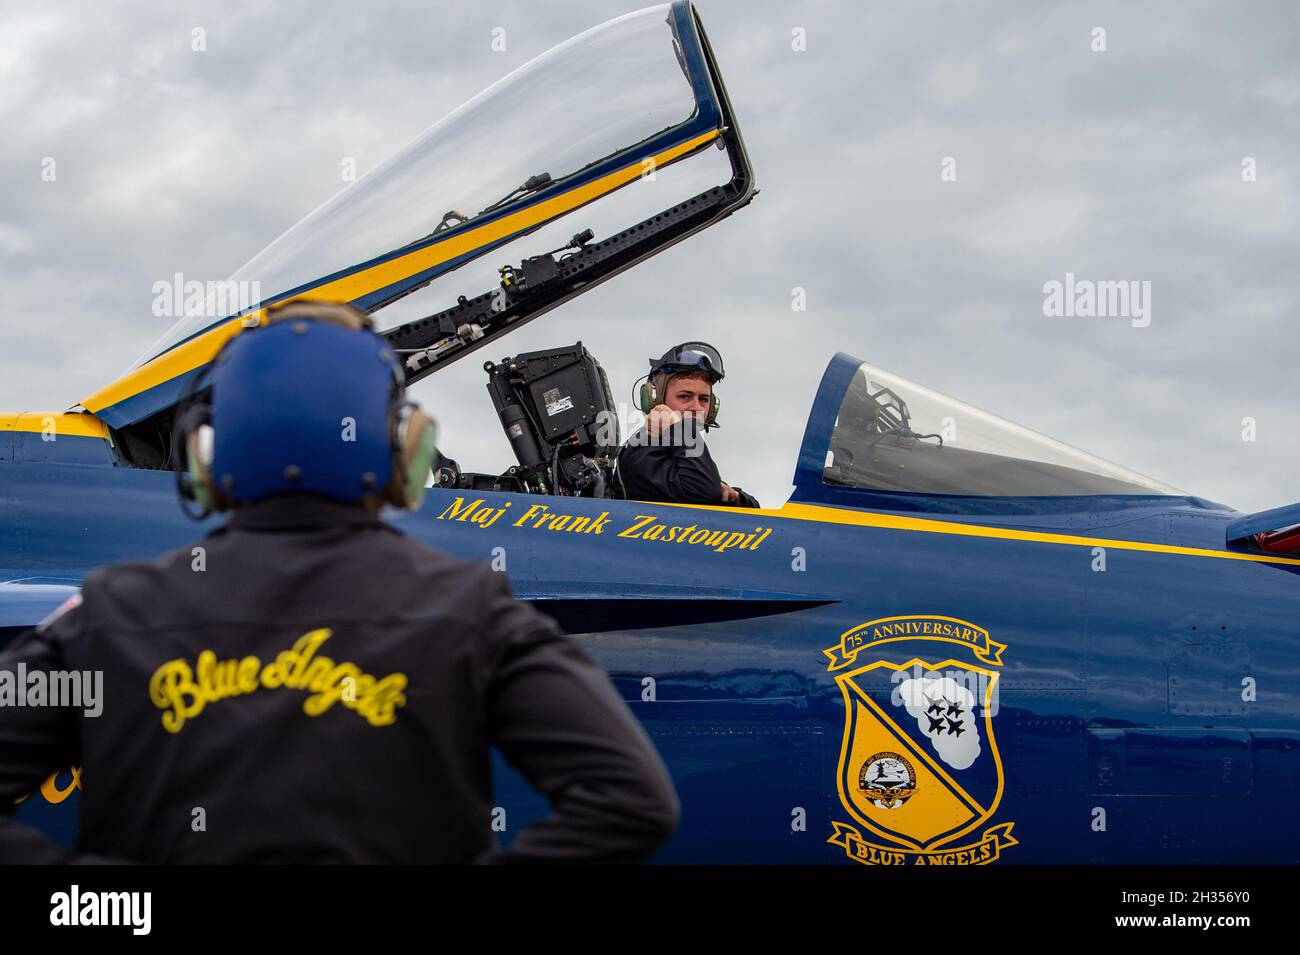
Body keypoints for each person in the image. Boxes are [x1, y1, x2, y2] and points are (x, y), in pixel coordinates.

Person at [0, 300, 678, 864]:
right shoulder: (472, 610)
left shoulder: (109, 614)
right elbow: (632, 798)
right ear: (404, 451)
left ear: (207, 456)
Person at [616, 342, 760, 508]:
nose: (697, 408)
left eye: (704, 400)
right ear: (656, 400)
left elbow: (756, 513)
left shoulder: (684, 451)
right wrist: (681, 430)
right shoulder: (643, 450)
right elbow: (704, 493)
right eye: (685, 396)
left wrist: (736, 497)